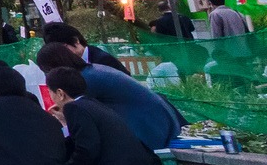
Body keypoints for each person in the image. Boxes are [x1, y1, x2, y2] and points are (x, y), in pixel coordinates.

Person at [44, 67, 171, 165]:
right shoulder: (92, 104)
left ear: (60, 93)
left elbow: (87, 150)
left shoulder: (74, 108)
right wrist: (65, 124)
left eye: (50, 92)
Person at [33, 43, 183, 150]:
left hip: (147, 129)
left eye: (47, 71)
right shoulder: (92, 70)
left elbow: (85, 122)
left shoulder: (85, 80)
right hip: (160, 121)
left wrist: (64, 117)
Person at [41, 22, 127, 72]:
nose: (63, 54)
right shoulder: (68, 66)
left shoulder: (102, 60)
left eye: (65, 48)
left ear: (76, 41)